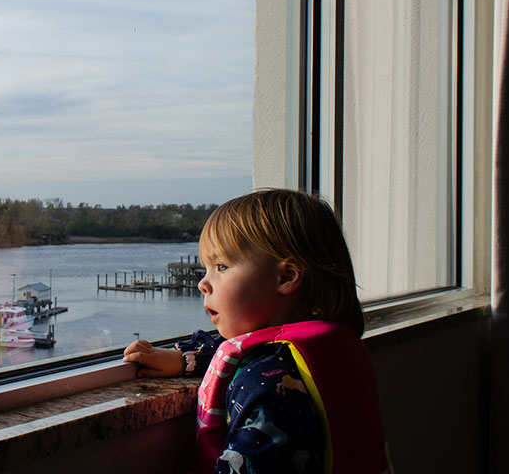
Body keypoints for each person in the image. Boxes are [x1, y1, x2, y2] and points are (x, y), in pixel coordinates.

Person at [122, 189, 390, 474]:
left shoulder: (266, 387)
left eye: (221, 267)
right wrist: (184, 360)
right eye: (206, 269)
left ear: (286, 277)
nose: (202, 284)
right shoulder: (328, 347)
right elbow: (252, 351)